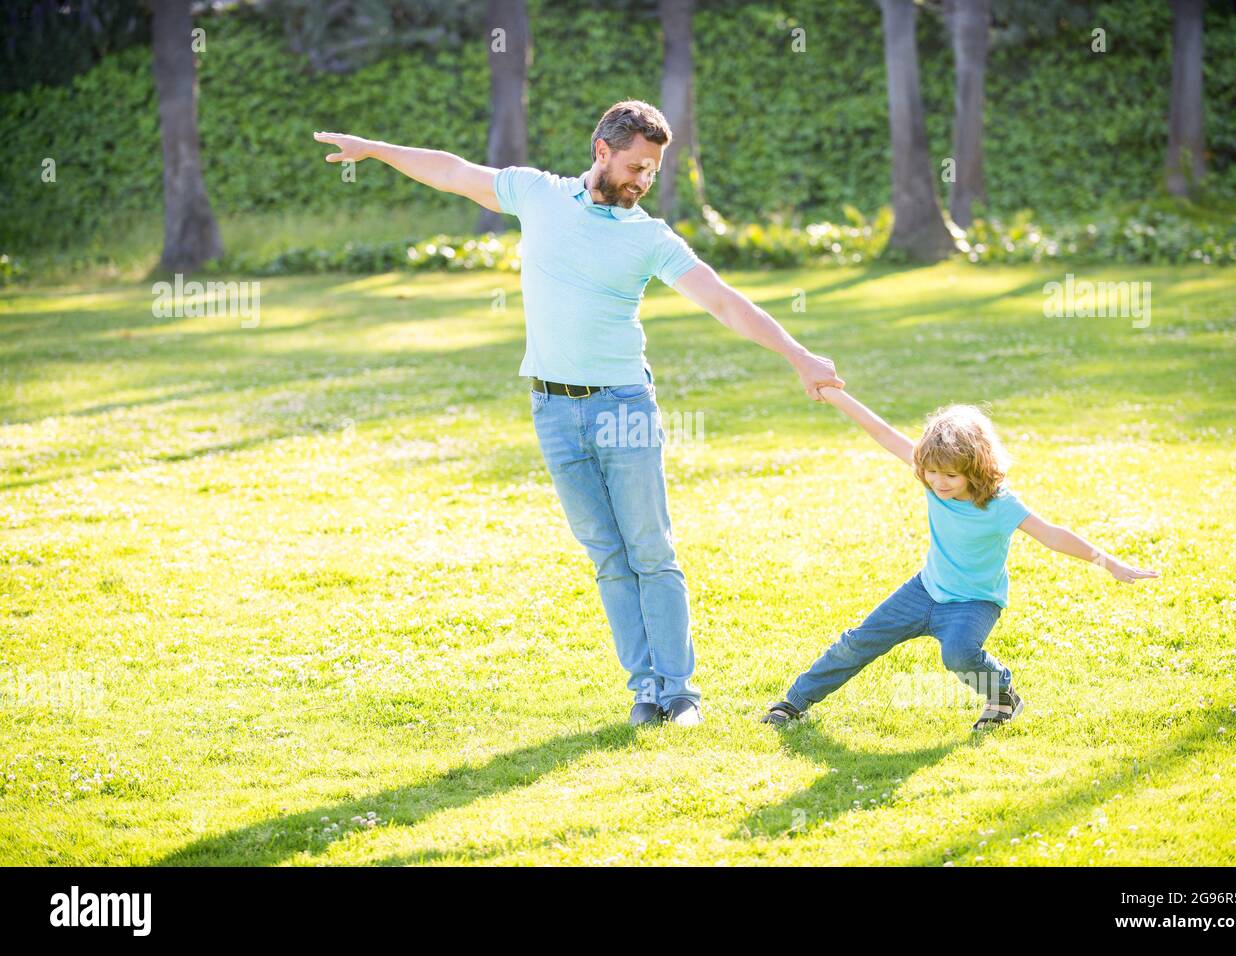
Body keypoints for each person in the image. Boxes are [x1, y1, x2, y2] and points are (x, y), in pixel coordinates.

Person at [315, 100, 843, 727]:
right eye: (637, 166)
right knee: (608, 556)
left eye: (653, 171)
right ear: (602, 151)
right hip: (552, 408)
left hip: (623, 407)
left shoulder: (648, 237)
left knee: (650, 551)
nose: (644, 181)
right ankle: (644, 691)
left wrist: (798, 354)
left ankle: (680, 694)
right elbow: (453, 171)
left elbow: (725, 303)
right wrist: (373, 149)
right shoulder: (536, 194)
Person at [761, 387, 1159, 730]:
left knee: (959, 654)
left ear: (976, 468)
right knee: (858, 642)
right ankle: (793, 703)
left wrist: (1108, 562)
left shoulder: (1001, 505)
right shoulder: (932, 478)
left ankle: (1002, 694)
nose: (937, 482)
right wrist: (832, 393)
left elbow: (1052, 535)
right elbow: (881, 431)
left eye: (949, 475)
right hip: (925, 589)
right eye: (931, 472)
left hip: (974, 601)